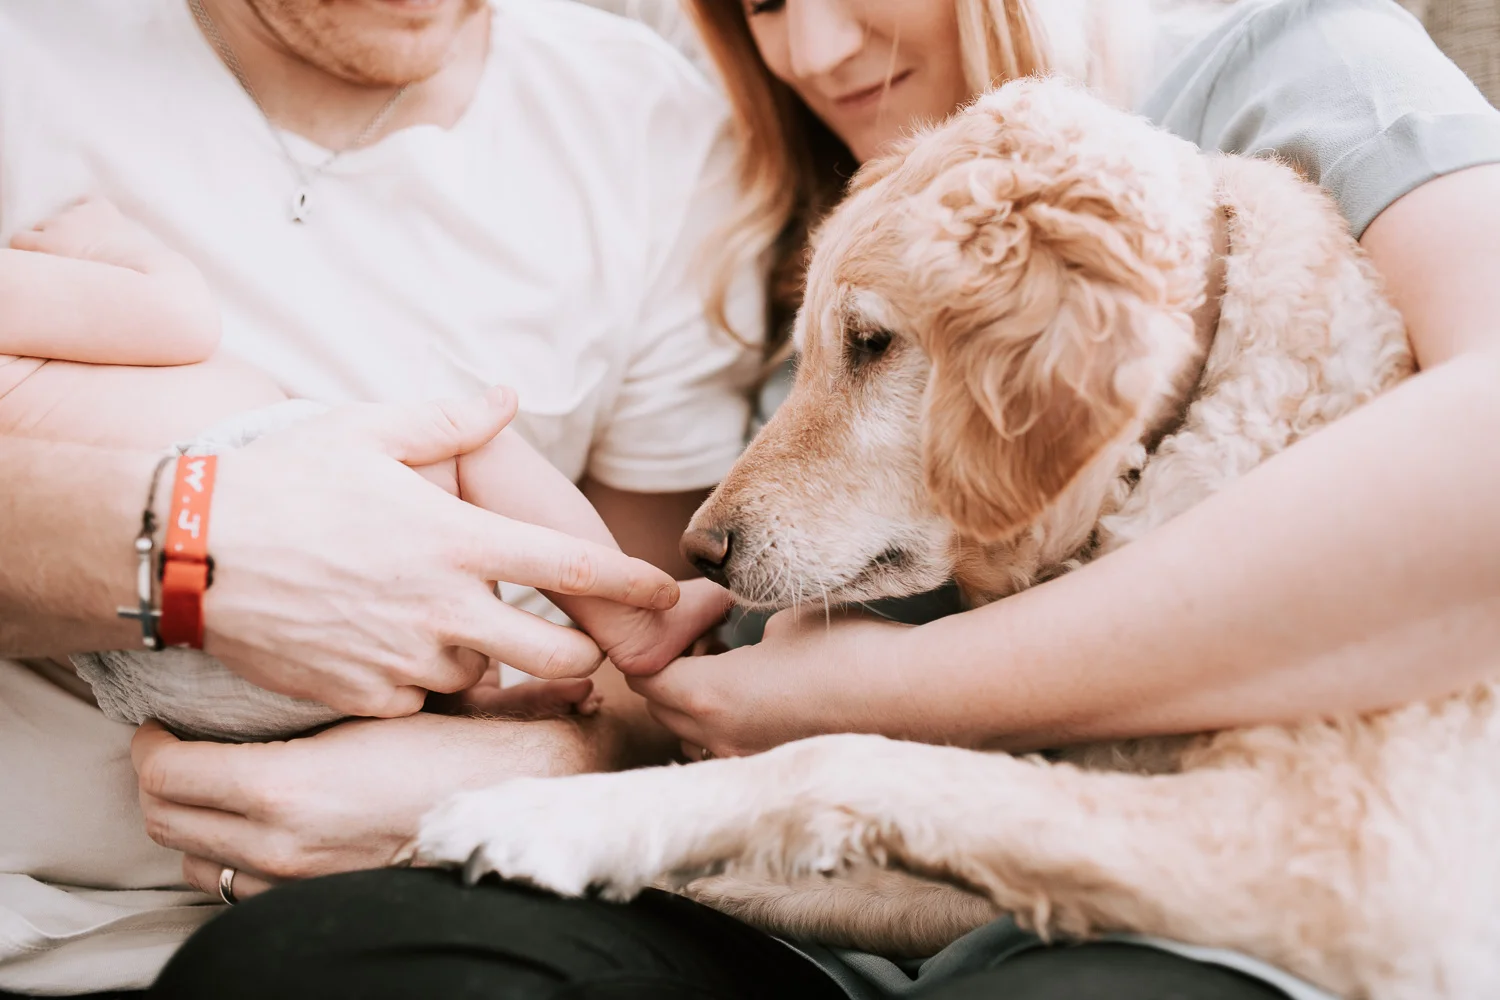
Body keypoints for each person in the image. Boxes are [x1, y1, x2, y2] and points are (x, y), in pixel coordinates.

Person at [127, 0, 1500, 998]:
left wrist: (848, 713)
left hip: (1183, 916)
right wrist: (545, 762)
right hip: (834, 919)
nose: (817, 49)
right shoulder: (777, 181)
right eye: (764, 2)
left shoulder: (1285, 67)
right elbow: (693, 673)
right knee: (326, 970)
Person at [0, 0, 762, 992]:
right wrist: (203, 553)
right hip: (57, 894)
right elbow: (167, 310)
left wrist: (558, 765)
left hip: (413, 890)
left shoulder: (645, 121)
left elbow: (676, 695)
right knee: (458, 441)